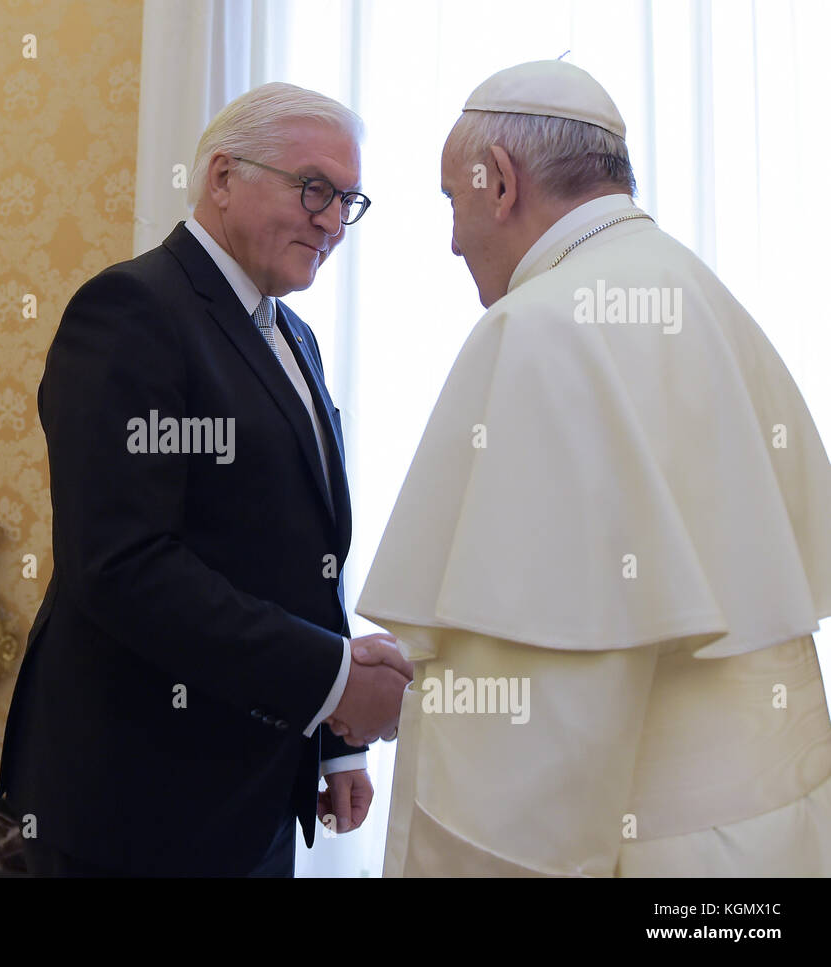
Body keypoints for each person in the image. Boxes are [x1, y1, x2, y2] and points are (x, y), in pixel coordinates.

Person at [348, 59, 831, 876]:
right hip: (772, 837)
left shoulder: (540, 328)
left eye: (450, 202)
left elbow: (535, 724)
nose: (453, 239)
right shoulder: (698, 288)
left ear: (499, 181)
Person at [0, 82, 411, 876]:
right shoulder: (130, 310)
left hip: (254, 787)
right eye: (314, 188)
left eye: (348, 200)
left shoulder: (294, 333)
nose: (332, 220)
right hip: (136, 793)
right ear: (222, 176)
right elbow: (122, 564)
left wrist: (332, 742)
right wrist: (331, 679)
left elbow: (297, 553)